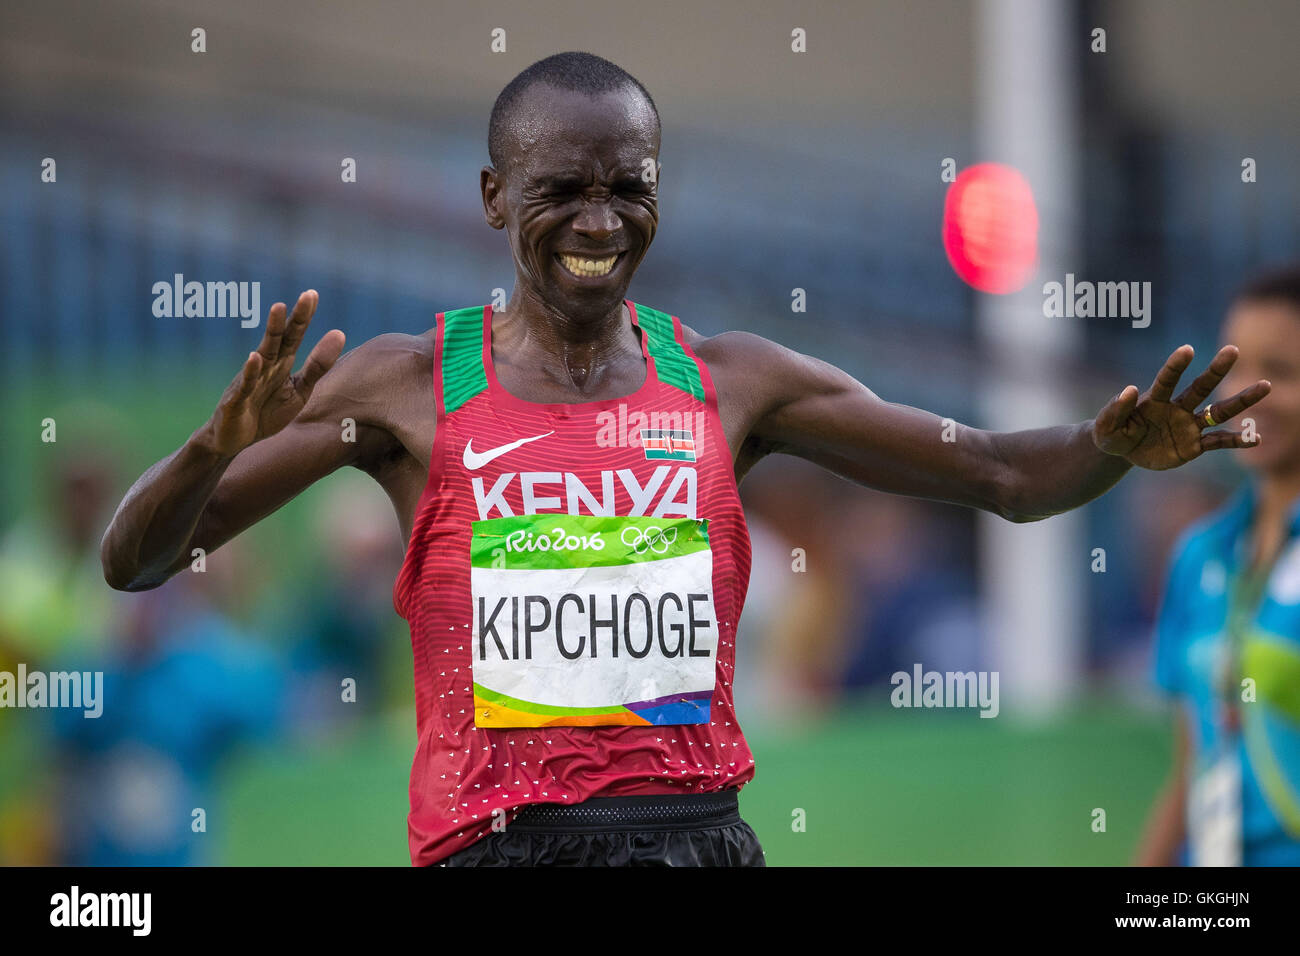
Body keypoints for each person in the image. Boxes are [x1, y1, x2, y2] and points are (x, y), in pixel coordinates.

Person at [101, 51, 1270, 867]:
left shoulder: (727, 378)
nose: (600, 222)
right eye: (561, 190)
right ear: (494, 197)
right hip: (497, 849)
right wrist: (212, 448)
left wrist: (1106, 447)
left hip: (698, 836)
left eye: (628, 186)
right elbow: (138, 562)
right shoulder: (406, 387)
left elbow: (1001, 477)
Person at [1137, 263, 1300, 867]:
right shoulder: (1199, 554)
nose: (1248, 394)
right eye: (1234, 371)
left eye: (1279, 371)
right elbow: (1191, 767)